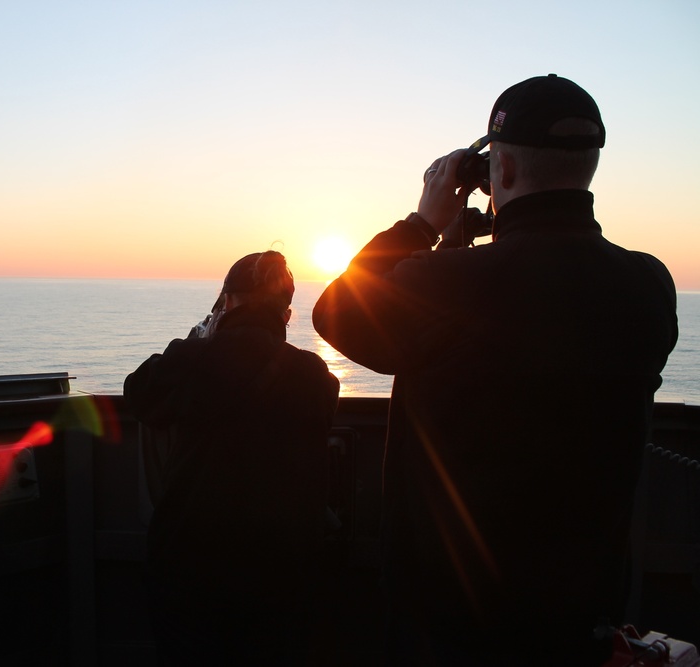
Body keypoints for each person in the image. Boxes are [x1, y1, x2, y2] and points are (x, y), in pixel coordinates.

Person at [313, 75, 678, 665]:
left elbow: (336, 311)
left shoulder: (450, 285)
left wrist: (422, 224)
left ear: (500, 171)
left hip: (453, 617)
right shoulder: (649, 284)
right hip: (580, 614)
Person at [125, 250, 340, 666]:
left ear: (228, 301)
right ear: (286, 312)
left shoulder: (191, 359)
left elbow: (138, 393)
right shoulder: (316, 376)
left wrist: (197, 341)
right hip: (284, 573)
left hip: (193, 568)